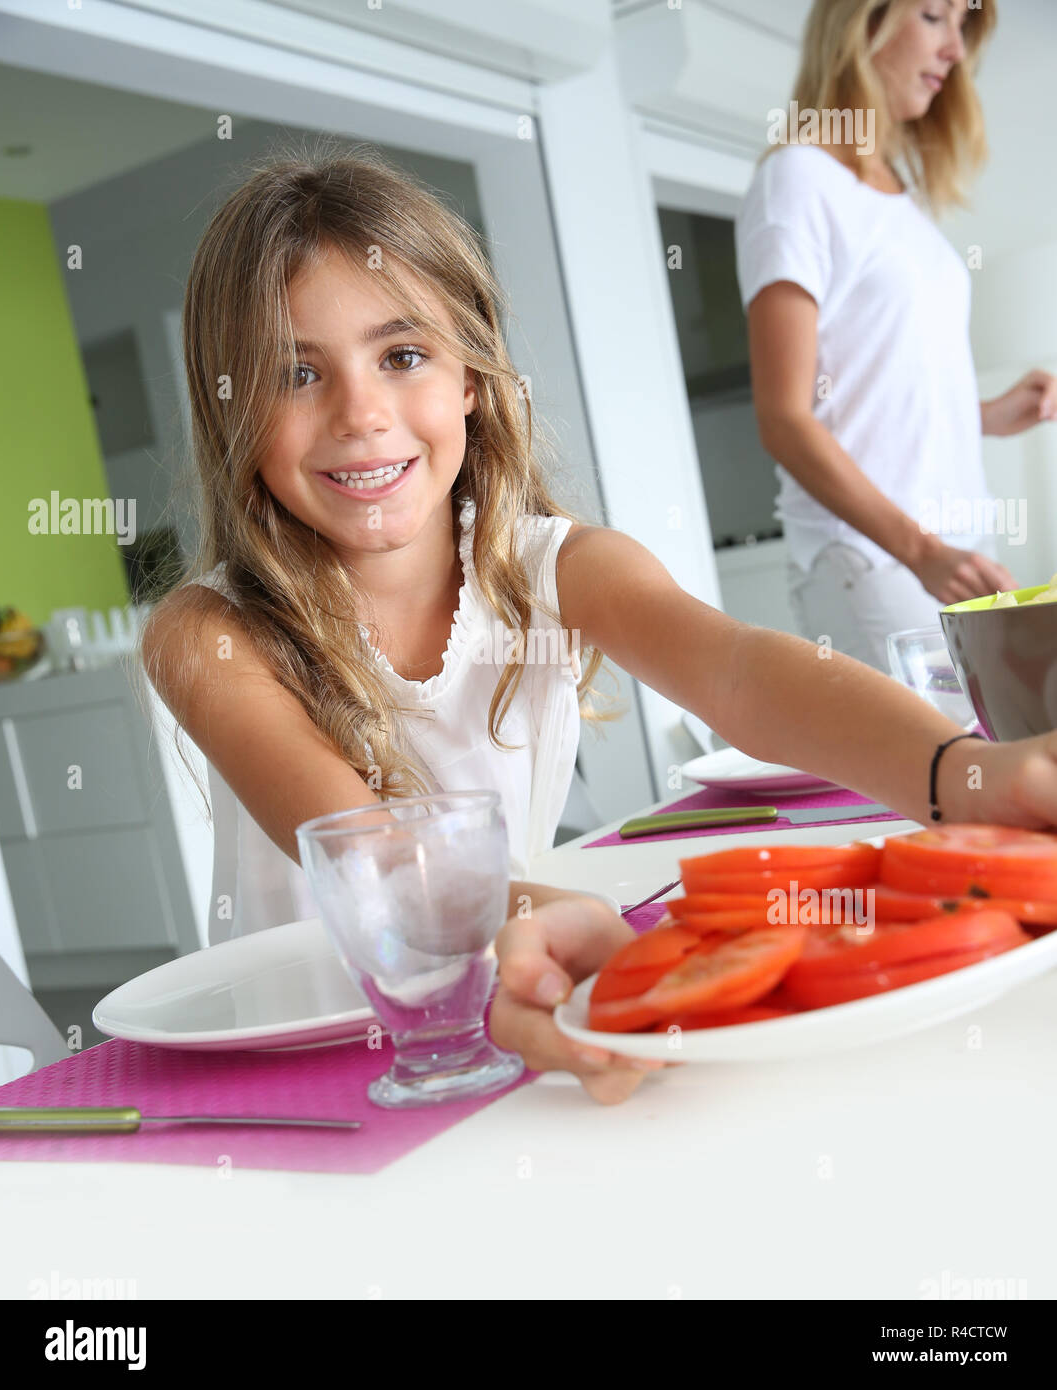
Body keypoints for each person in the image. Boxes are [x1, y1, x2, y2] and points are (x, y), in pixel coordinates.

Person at [142, 147, 1057, 1108]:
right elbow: (369, 852)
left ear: (470, 378)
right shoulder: (205, 632)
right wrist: (557, 916)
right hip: (296, 1059)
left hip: (507, 979)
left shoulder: (559, 566)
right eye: (296, 373)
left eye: (403, 356)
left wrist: (968, 775)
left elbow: (740, 672)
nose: (361, 413)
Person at [736, 0, 1057, 671]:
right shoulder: (796, 179)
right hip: (876, 561)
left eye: (963, 28)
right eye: (934, 17)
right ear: (861, 22)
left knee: (1003, 764)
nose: (956, 50)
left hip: (955, 549)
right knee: (941, 771)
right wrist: (918, 551)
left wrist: (989, 417)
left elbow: (880, 395)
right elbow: (784, 417)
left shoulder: (901, 198)